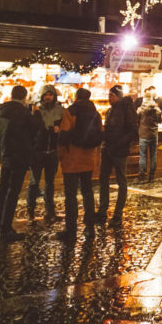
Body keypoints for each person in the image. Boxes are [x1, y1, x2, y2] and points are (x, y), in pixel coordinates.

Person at [56, 87, 102, 244]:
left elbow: (65, 133)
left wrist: (60, 153)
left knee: (71, 196)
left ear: (76, 97)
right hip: (88, 158)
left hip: (72, 158)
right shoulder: (95, 113)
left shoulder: (71, 111)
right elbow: (100, 133)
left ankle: (71, 230)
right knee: (87, 193)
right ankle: (90, 227)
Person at [0, 84, 36, 243]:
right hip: (19, 157)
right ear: (24, 97)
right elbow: (35, 129)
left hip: (5, 156)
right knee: (13, 192)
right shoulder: (24, 112)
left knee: (2, 190)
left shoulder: (2, 110)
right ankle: (6, 229)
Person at [96, 85, 137, 228]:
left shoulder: (126, 108)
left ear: (118, 96)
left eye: (111, 95)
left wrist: (119, 144)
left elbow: (132, 130)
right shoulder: (110, 110)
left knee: (121, 181)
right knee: (103, 179)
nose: (109, 98)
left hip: (119, 151)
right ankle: (102, 211)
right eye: (108, 95)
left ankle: (117, 215)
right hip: (107, 149)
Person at [27, 84, 63, 222]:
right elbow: (30, 129)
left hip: (52, 151)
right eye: (46, 94)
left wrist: (58, 131)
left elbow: (64, 127)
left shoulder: (60, 111)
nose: (48, 97)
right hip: (38, 151)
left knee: (50, 183)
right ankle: (30, 211)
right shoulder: (35, 110)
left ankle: (50, 211)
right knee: (34, 182)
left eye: (50, 94)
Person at [137, 88, 162, 184]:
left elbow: (137, 119)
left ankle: (142, 175)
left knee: (142, 156)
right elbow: (160, 121)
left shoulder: (140, 109)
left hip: (143, 134)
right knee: (153, 155)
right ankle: (152, 175)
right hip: (154, 134)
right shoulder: (157, 110)